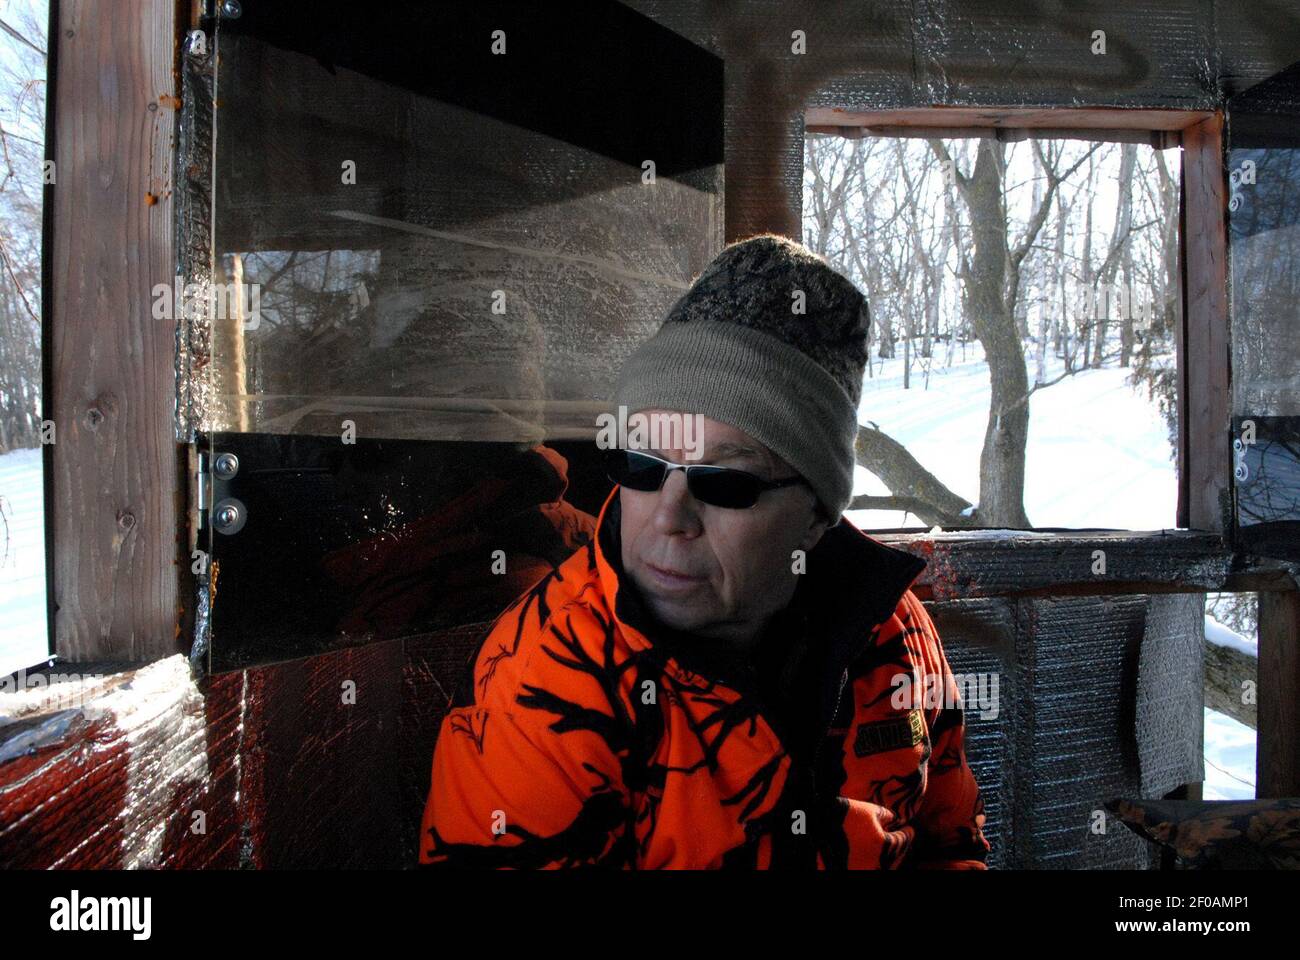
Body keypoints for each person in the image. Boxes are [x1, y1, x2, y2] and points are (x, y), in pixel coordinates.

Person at [418, 233, 990, 868]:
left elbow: (951, 843)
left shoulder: (895, 630)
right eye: (642, 464)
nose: (669, 516)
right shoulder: (552, 678)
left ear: (815, 516)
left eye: (726, 482)